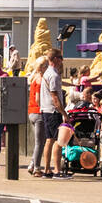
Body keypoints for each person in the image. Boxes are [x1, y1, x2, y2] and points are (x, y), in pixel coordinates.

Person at [40, 50, 74, 179]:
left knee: (49, 140)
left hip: (46, 110)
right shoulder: (53, 75)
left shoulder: (48, 73)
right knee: (58, 141)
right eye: (60, 57)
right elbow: (55, 96)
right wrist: (64, 113)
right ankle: (57, 171)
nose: (62, 60)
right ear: (54, 59)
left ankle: (48, 169)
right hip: (54, 111)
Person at [26, 58, 46, 177]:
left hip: (31, 112)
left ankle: (32, 164)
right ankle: (37, 168)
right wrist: (43, 108)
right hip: (38, 113)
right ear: (42, 67)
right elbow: (38, 98)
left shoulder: (34, 77)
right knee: (40, 143)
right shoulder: (40, 80)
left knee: (39, 142)